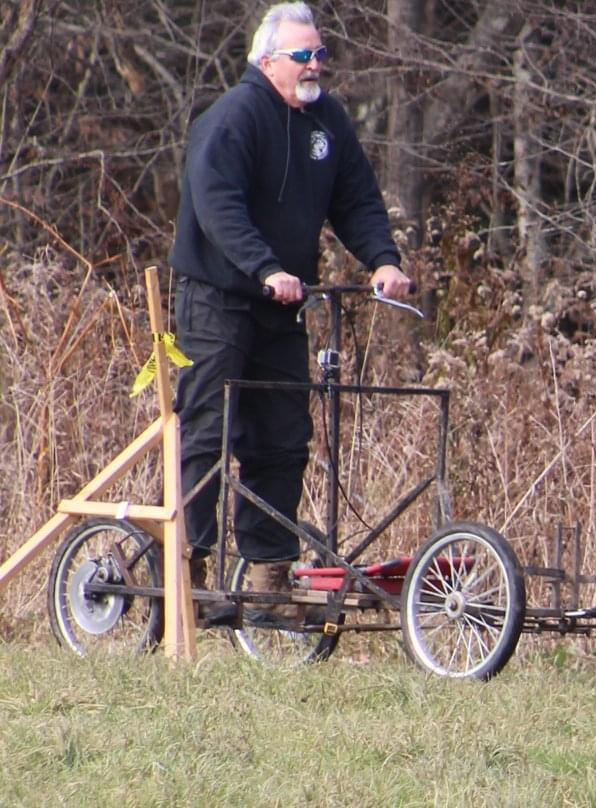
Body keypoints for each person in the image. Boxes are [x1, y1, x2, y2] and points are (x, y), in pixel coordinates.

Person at [168, 2, 412, 620]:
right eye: (302, 55)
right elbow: (218, 205)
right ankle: (187, 569)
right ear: (268, 60)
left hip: (283, 306)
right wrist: (266, 267)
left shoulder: (326, 121)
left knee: (283, 438)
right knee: (207, 430)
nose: (315, 65)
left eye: (320, 54)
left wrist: (382, 260)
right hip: (219, 298)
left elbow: (356, 198)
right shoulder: (233, 117)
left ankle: (269, 576)